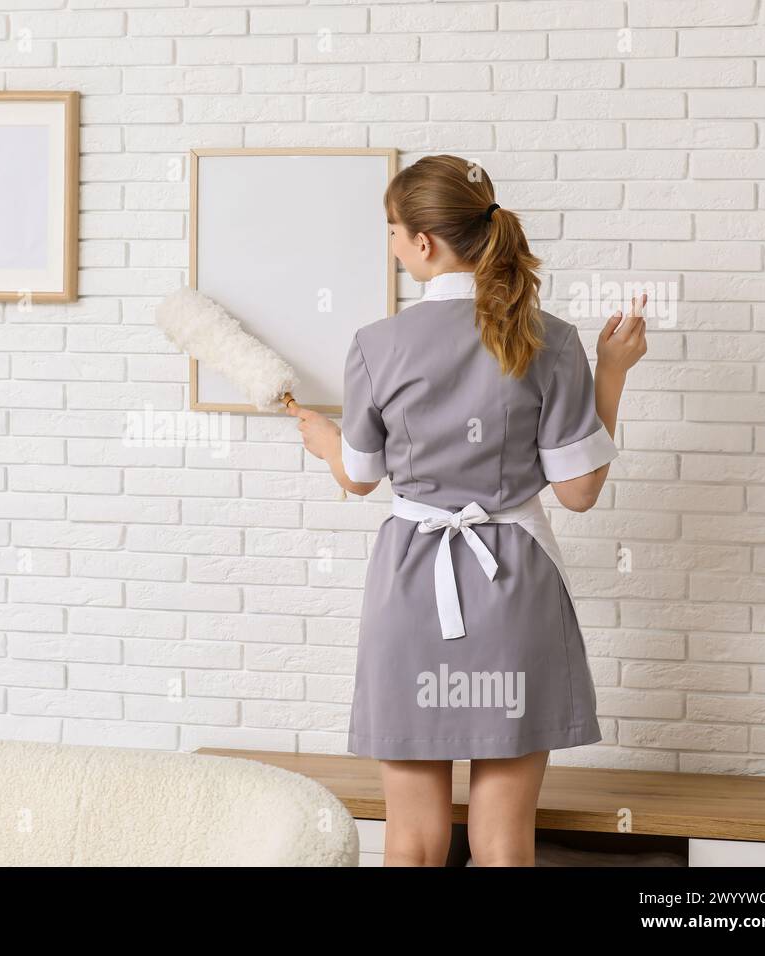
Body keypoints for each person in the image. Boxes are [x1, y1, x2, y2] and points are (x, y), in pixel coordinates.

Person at [287, 155, 647, 866]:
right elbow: (577, 492)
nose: (391, 243)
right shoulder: (553, 338)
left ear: (423, 243)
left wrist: (326, 441)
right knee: (504, 843)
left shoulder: (376, 344)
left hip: (409, 589)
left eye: (392, 229)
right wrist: (611, 375)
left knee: (412, 841)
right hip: (515, 594)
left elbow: (359, 480)